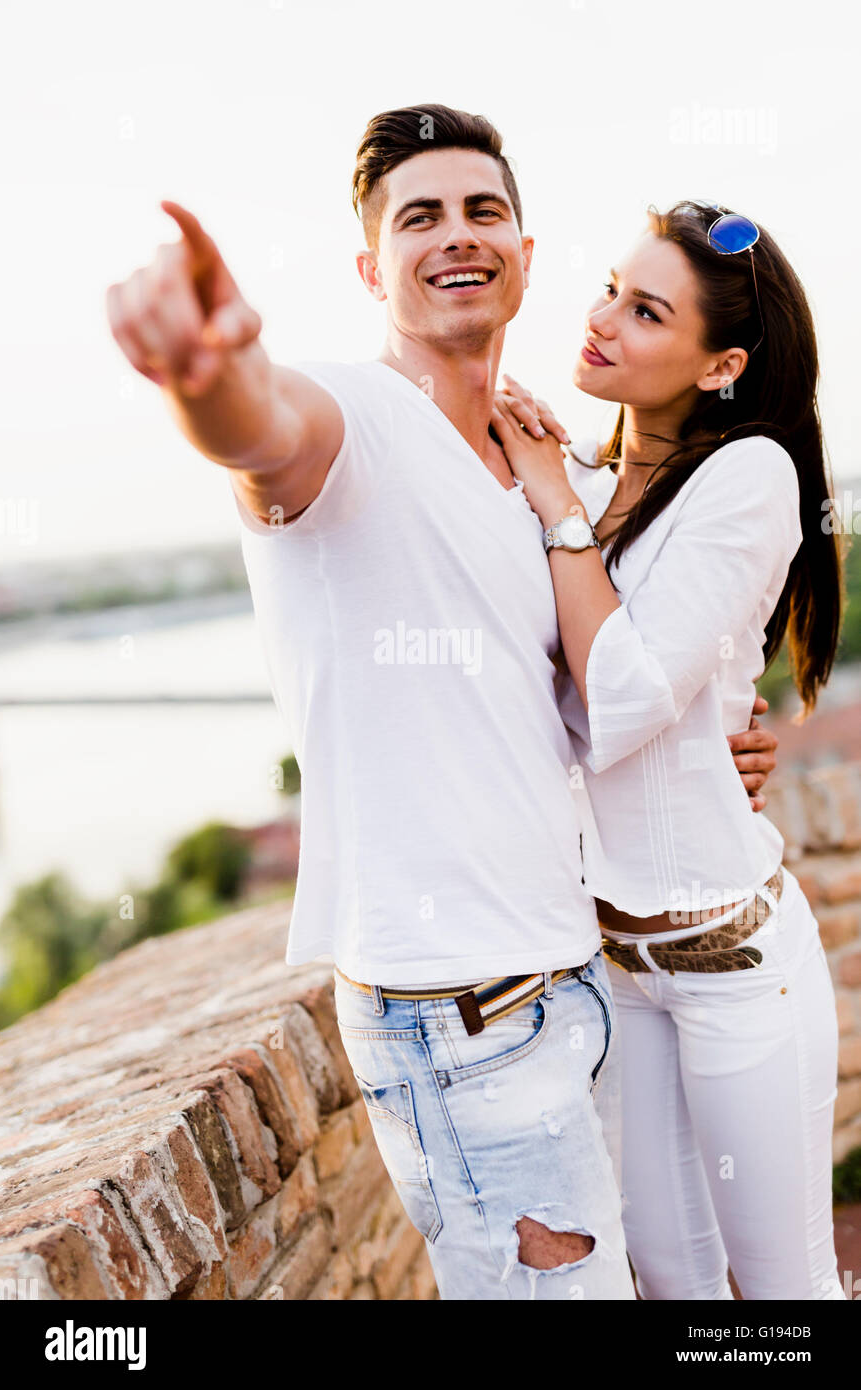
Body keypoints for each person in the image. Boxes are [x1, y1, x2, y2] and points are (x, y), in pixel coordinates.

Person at [104, 110, 774, 1300]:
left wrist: (713, 746)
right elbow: (261, 429)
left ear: (522, 247)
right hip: (461, 1031)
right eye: (418, 217)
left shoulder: (526, 469)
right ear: (372, 268)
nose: (455, 235)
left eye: (480, 211)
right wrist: (203, 376)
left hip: (568, 991)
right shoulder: (351, 420)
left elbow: (561, 710)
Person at [491, 199, 846, 1300]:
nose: (601, 318)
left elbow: (624, 704)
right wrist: (555, 495)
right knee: (672, 1284)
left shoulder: (742, 478)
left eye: (645, 311)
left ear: (720, 363)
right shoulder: (584, 493)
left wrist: (550, 500)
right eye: (609, 287)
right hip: (619, 969)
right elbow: (546, 711)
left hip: (734, 964)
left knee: (778, 1292)